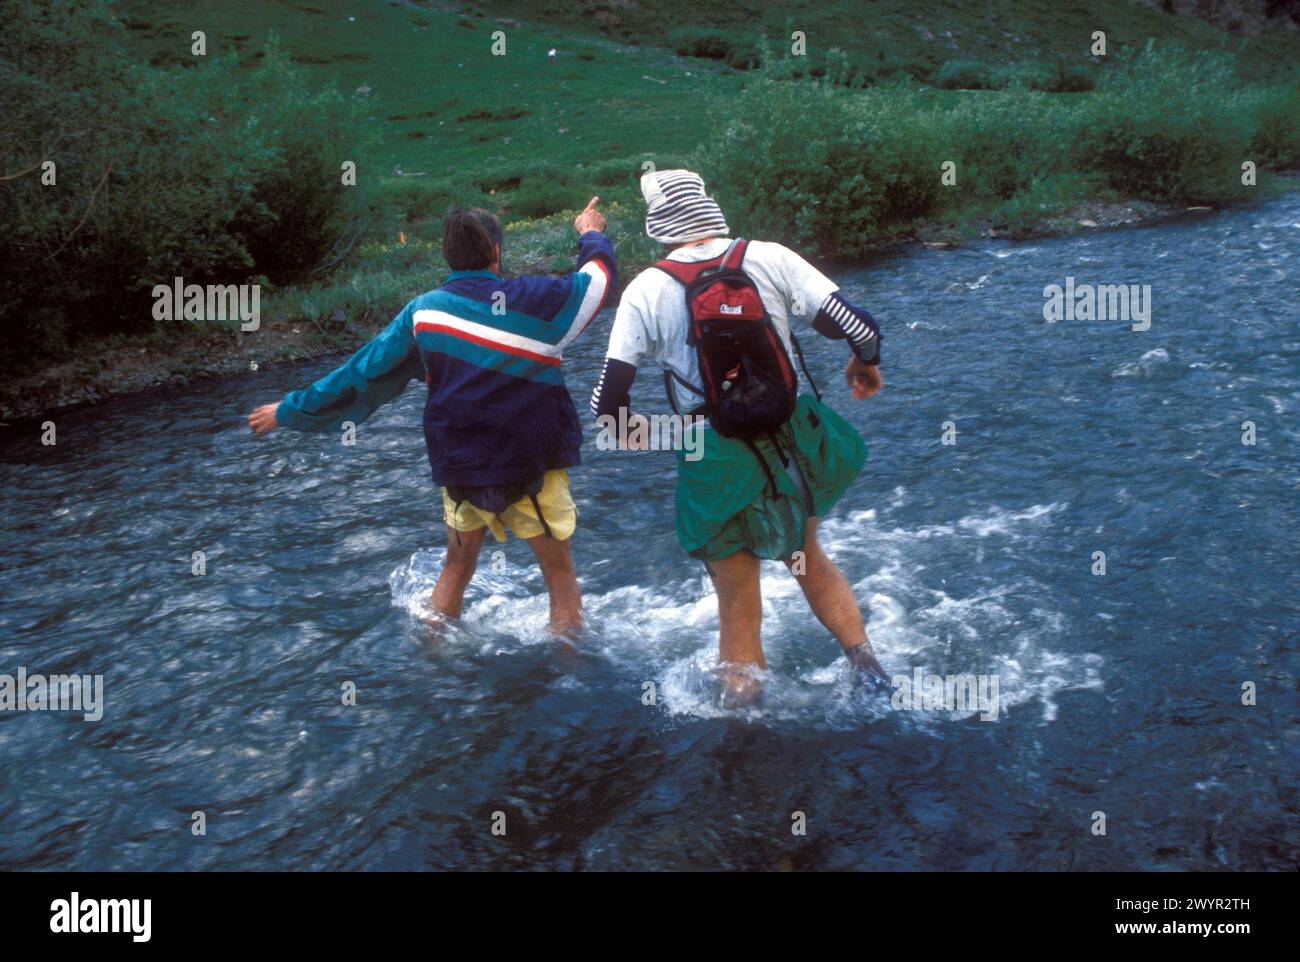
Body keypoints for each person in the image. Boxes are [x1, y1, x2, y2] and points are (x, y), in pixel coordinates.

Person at [249, 200, 615, 635]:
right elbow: (597, 281)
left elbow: (360, 371)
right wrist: (590, 231)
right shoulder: (540, 301)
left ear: (448, 255)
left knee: (456, 569)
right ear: (496, 251)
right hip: (531, 462)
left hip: (460, 466)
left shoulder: (423, 311)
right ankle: (568, 677)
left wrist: (288, 410)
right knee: (559, 576)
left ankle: (434, 665)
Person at [590, 169, 884, 705]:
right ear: (707, 207)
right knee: (807, 556)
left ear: (659, 223)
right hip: (790, 436)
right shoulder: (769, 256)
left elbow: (607, 407)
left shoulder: (646, 290)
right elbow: (860, 327)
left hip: (711, 453)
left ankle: (746, 737)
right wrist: (864, 366)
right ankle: (867, 668)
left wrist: (661, 434)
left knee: (736, 599)